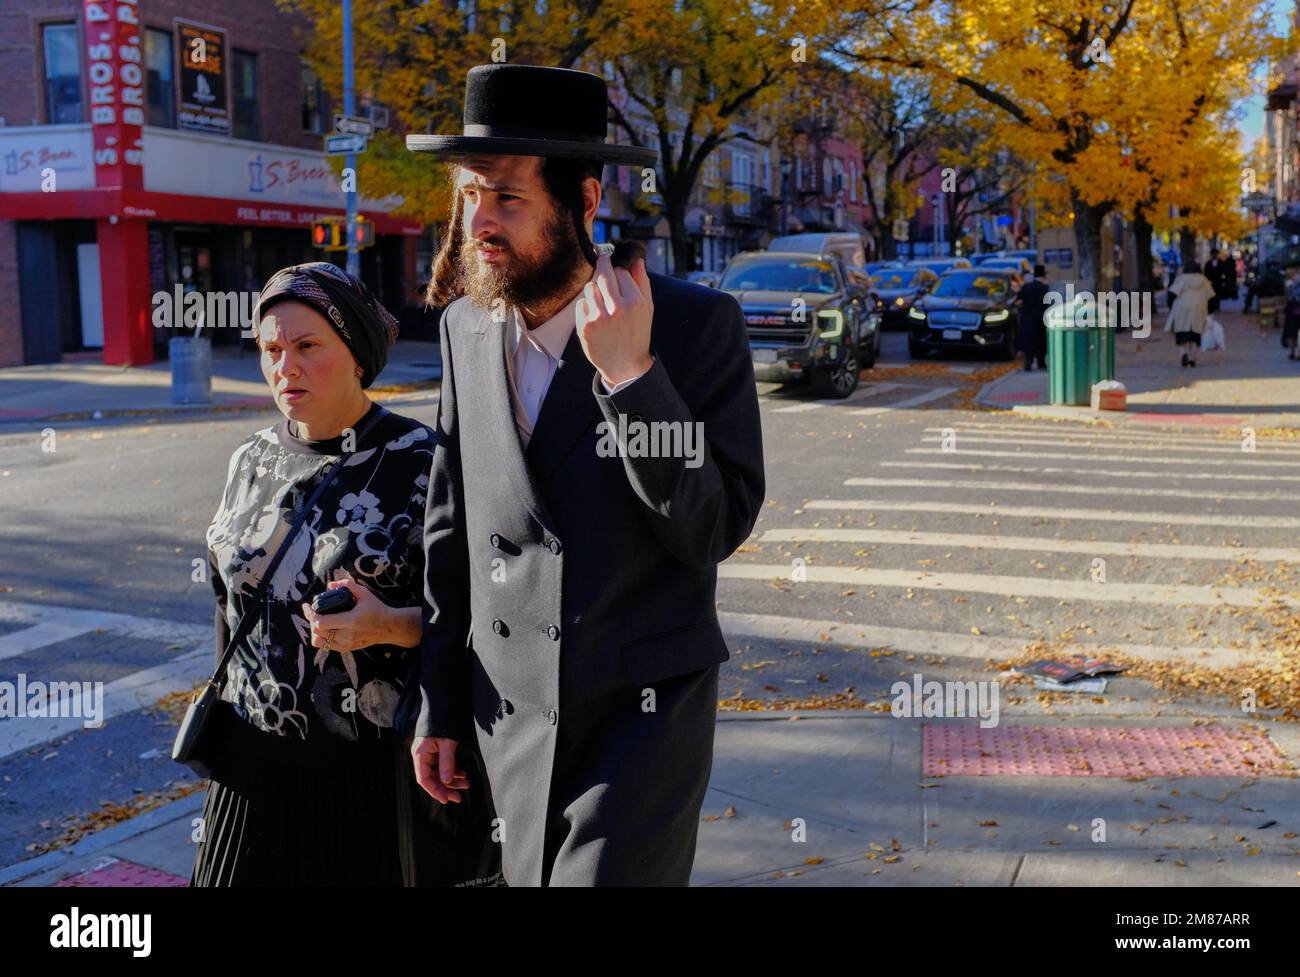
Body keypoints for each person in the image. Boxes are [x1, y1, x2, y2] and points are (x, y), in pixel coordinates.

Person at [406, 64, 766, 886]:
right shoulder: (465, 326)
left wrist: (634, 380)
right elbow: (449, 530)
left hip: (638, 721)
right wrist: (440, 702)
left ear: (586, 203)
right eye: (468, 196)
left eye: (506, 198)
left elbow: (714, 526)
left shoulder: (693, 325)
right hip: (511, 713)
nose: (478, 222)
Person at [192, 262, 447, 885]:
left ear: (357, 353)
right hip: (248, 769)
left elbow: (472, 620)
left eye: (308, 346)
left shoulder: (423, 463)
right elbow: (227, 602)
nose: (286, 367)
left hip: (364, 775)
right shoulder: (249, 459)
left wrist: (387, 625)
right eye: (271, 349)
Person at [1164, 260, 1216, 368]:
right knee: (1196, 333)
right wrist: (1210, 312)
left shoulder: (1181, 279)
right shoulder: (1204, 281)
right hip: (1199, 309)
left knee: (1182, 333)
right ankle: (1192, 357)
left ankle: (1184, 353)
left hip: (1181, 308)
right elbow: (1212, 298)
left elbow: (1171, 295)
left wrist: (1171, 307)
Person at [1014, 263, 1050, 370]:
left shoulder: (1026, 287)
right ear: (1043, 275)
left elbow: (1017, 299)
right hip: (1041, 319)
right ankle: (1041, 362)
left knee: (1029, 342)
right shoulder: (1045, 288)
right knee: (1041, 342)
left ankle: (1028, 362)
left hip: (1028, 319)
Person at [1205, 249, 1237, 313]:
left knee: (1217, 295)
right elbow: (1206, 273)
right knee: (1211, 296)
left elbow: (1225, 270)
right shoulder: (1208, 263)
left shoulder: (1221, 262)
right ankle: (1211, 308)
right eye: (1213, 254)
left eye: (1215, 254)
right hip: (1211, 282)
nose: (1214, 255)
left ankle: (1217, 307)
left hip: (1218, 282)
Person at [1283, 266, 1300, 361]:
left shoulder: (1291, 281)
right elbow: (1287, 294)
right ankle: (1293, 351)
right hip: (1292, 308)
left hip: (1294, 307)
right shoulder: (1288, 281)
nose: (1287, 271)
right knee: (1291, 331)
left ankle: (1294, 351)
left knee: (1292, 331)